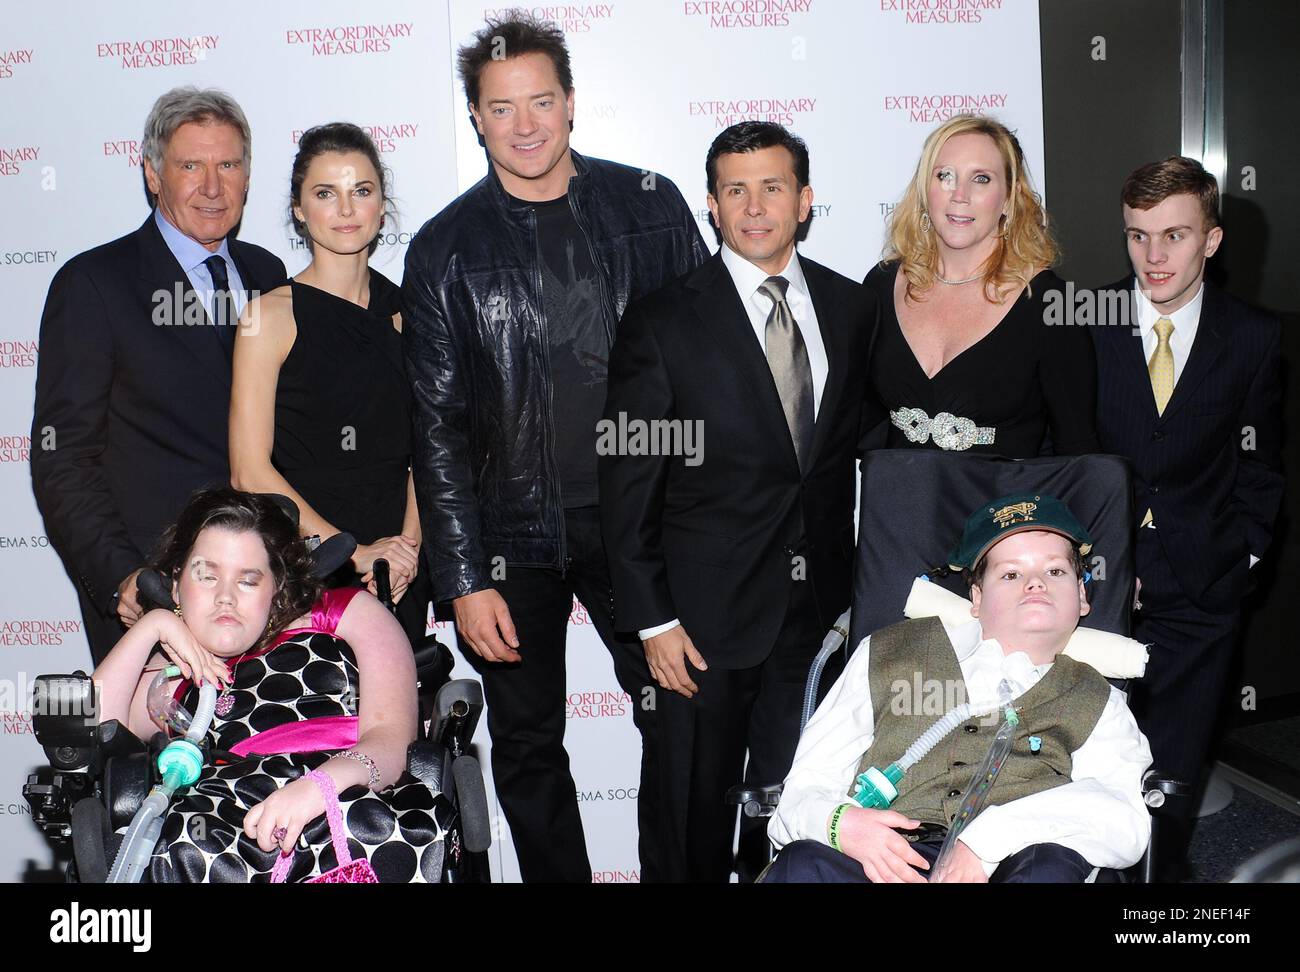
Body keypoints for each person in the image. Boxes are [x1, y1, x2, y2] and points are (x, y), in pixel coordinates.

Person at [402, 14, 708, 882]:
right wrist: (462, 575)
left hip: (637, 527)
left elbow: (704, 370)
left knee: (678, 711)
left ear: (571, 103)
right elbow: (437, 425)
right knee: (530, 744)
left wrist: (698, 519)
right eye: (503, 108)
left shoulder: (648, 208)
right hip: (509, 540)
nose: (526, 123)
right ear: (475, 118)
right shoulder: (444, 248)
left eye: (541, 100)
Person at [600, 121, 876, 882]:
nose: (755, 207)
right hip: (699, 621)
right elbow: (628, 482)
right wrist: (652, 617)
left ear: (806, 199)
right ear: (712, 206)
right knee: (691, 812)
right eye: (735, 190)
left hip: (818, 612)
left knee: (802, 807)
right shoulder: (662, 319)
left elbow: (857, 452)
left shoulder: (853, 310)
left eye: (773, 187)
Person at [766, 494, 1151, 883]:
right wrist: (842, 825)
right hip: (888, 858)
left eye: (1054, 571)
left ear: (1083, 596)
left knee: (1048, 871)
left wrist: (987, 841)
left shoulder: (1097, 700)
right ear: (977, 599)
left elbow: (1124, 817)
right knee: (804, 865)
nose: (1035, 583)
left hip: (1012, 864)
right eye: (1011, 574)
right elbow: (804, 790)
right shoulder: (888, 655)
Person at [31, 86, 286, 663]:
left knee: (269, 751)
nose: (212, 186)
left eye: (228, 164)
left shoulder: (269, 275)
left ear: (248, 174)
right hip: (156, 597)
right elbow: (62, 457)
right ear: (152, 174)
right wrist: (123, 575)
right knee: (162, 757)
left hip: (263, 590)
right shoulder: (95, 284)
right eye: (190, 165)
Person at [92, 488, 446, 882]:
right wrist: (152, 627)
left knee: (380, 829)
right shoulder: (173, 671)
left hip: (347, 792)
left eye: (248, 581)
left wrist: (320, 788)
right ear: (176, 585)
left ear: (276, 586)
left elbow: (394, 739)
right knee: (182, 844)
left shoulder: (344, 614)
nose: (225, 597)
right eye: (207, 576)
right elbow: (95, 728)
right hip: (223, 823)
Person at [1093, 157, 1283, 880]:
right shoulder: (1090, 317)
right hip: (1101, 589)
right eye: (1138, 236)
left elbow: (1260, 464)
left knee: (1169, 780)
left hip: (1204, 588)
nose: (1154, 256)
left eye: (1174, 235)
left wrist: (1244, 557)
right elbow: (1065, 455)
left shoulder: (1253, 336)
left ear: (1211, 239)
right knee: (1089, 767)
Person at [229, 123, 428, 644]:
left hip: (401, 566)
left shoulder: (412, 314)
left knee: (400, 719)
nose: (345, 209)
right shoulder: (268, 316)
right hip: (306, 562)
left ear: (382, 206)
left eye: (361, 191)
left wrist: (404, 548)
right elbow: (249, 469)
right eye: (325, 193)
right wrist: (351, 551)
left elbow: (434, 446)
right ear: (299, 208)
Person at [864, 114, 1097, 456]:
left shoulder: (1053, 304)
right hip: (897, 506)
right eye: (944, 176)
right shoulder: (882, 284)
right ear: (924, 191)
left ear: (1008, 198)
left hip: (1000, 508)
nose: (960, 195)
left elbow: (1079, 452)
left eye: (982, 179)